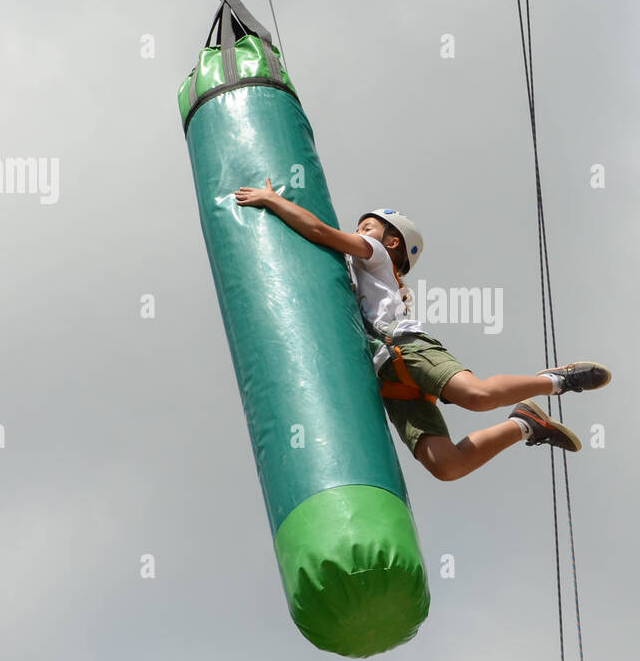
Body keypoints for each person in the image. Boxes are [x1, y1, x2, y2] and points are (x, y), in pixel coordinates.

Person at [233, 180, 611, 481]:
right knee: (446, 466)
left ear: (391, 241)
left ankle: (557, 381)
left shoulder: (375, 253)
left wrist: (271, 199)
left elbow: (318, 230)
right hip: (388, 378)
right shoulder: (352, 276)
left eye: (367, 227)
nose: (359, 231)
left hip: (407, 349)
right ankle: (525, 425)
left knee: (475, 396)